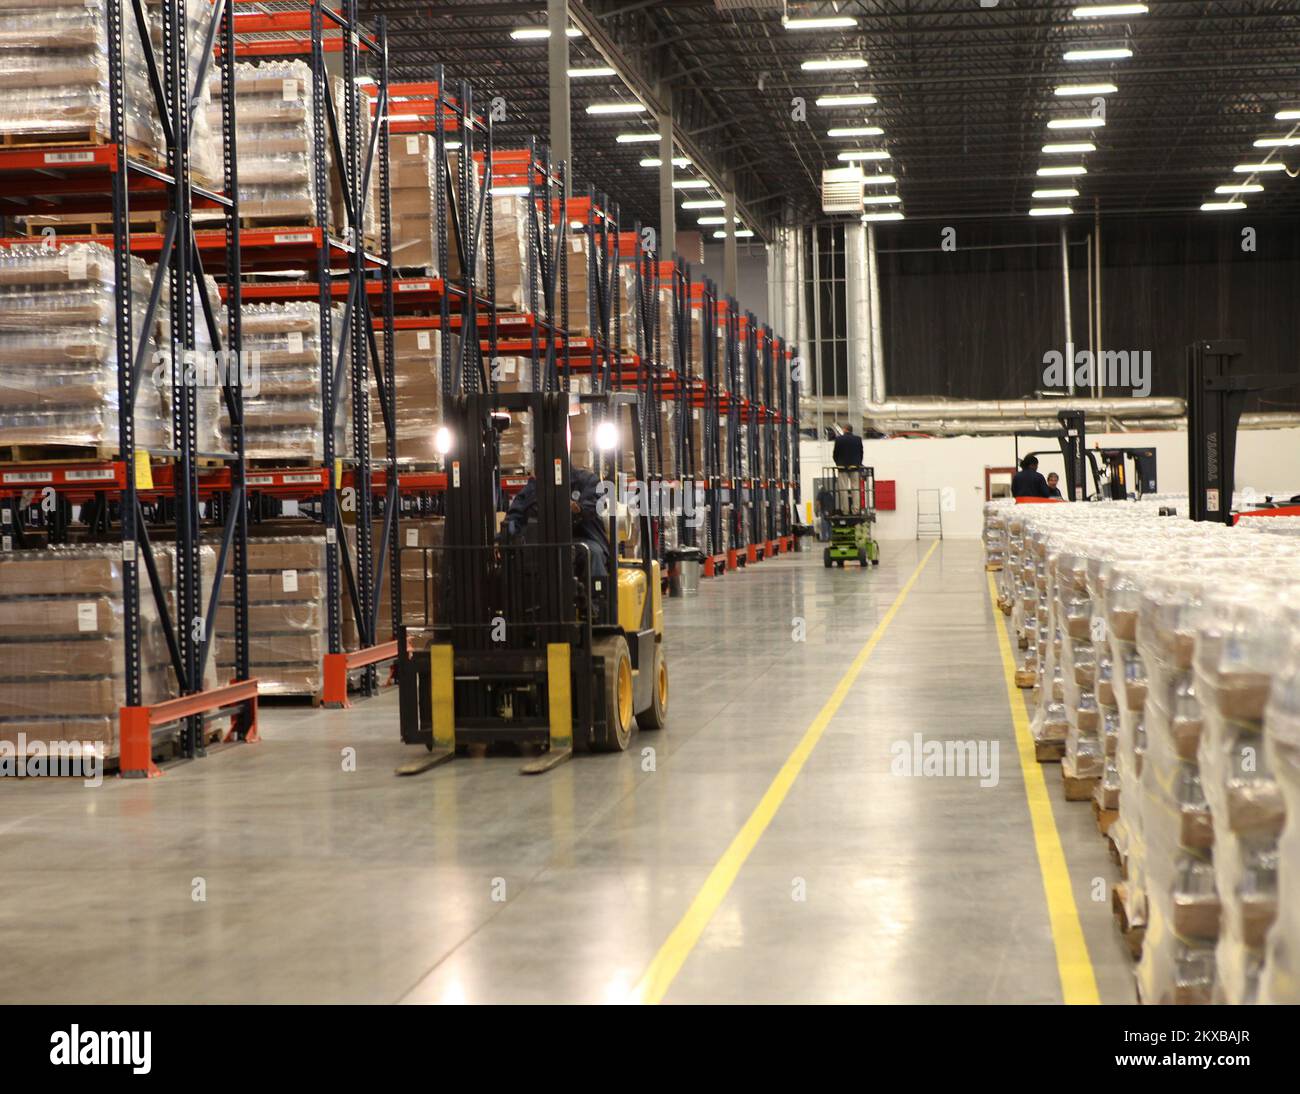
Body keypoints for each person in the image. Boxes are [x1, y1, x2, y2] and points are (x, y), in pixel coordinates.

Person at [502, 464, 611, 582]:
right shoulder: (534, 487)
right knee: (519, 556)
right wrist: (504, 535)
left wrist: (578, 508)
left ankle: (597, 597)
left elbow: (597, 503)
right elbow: (516, 513)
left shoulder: (586, 479)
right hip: (546, 540)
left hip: (582, 537)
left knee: (592, 553)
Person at [831, 424, 864, 513]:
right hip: (855, 467)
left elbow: (835, 453)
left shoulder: (839, 439)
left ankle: (845, 510)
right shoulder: (858, 439)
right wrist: (858, 463)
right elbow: (861, 453)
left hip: (842, 467)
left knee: (843, 489)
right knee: (855, 489)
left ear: (844, 429)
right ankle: (856, 509)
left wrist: (838, 463)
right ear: (851, 430)